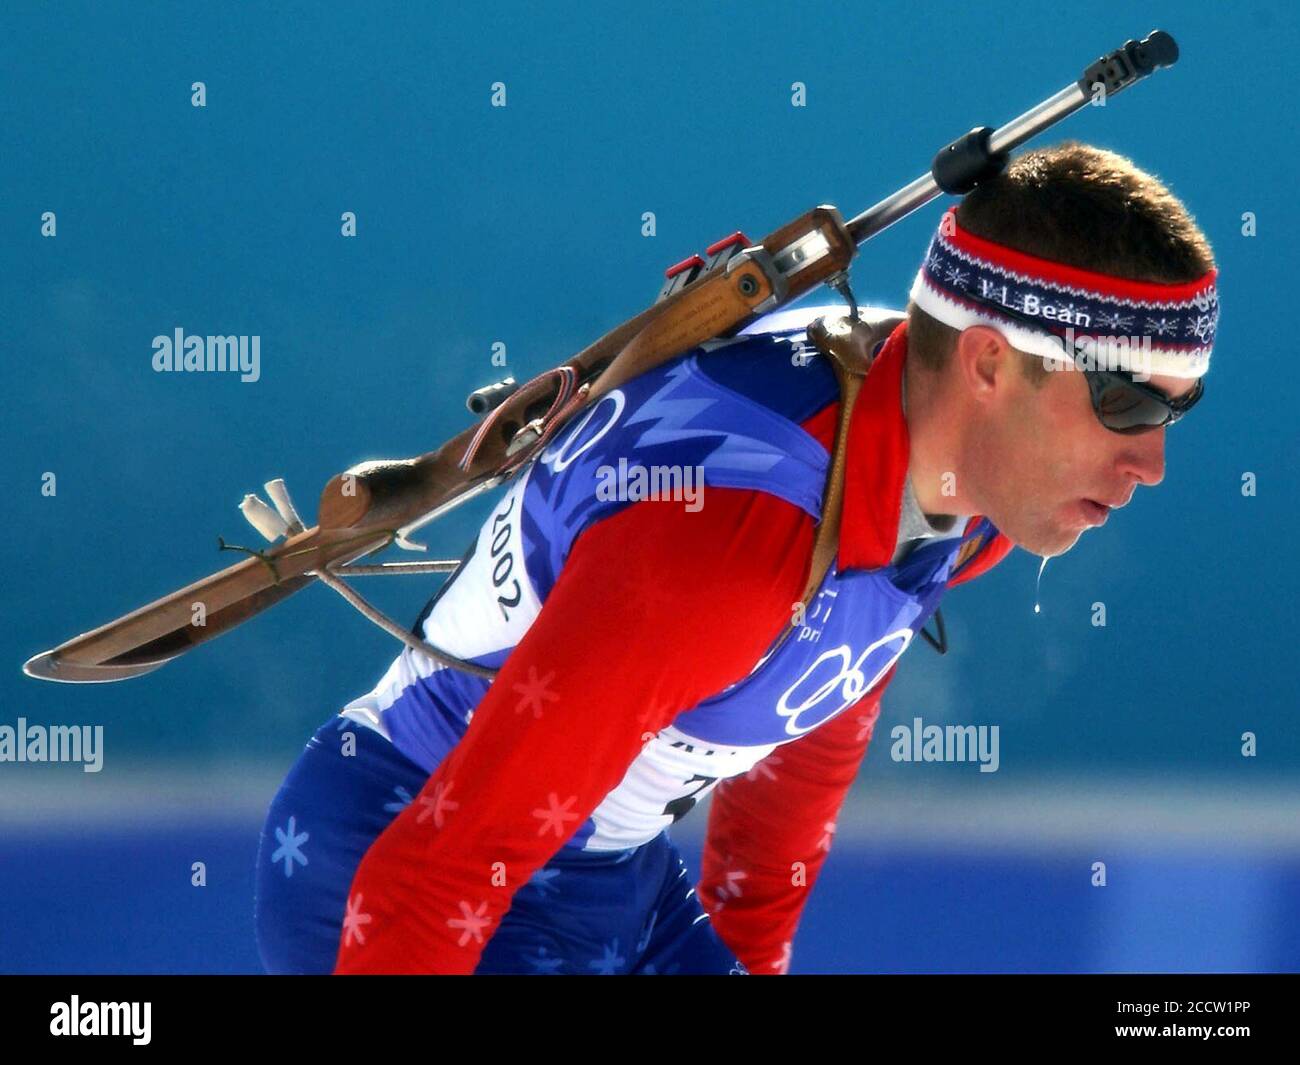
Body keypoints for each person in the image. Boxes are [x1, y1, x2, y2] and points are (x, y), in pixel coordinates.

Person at [254, 141, 1218, 975]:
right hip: (400, 860)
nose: (1154, 464)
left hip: (612, 885)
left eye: (1180, 409)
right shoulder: (721, 548)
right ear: (991, 363)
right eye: (1128, 403)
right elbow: (432, 874)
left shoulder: (965, 483)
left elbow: (821, 704)